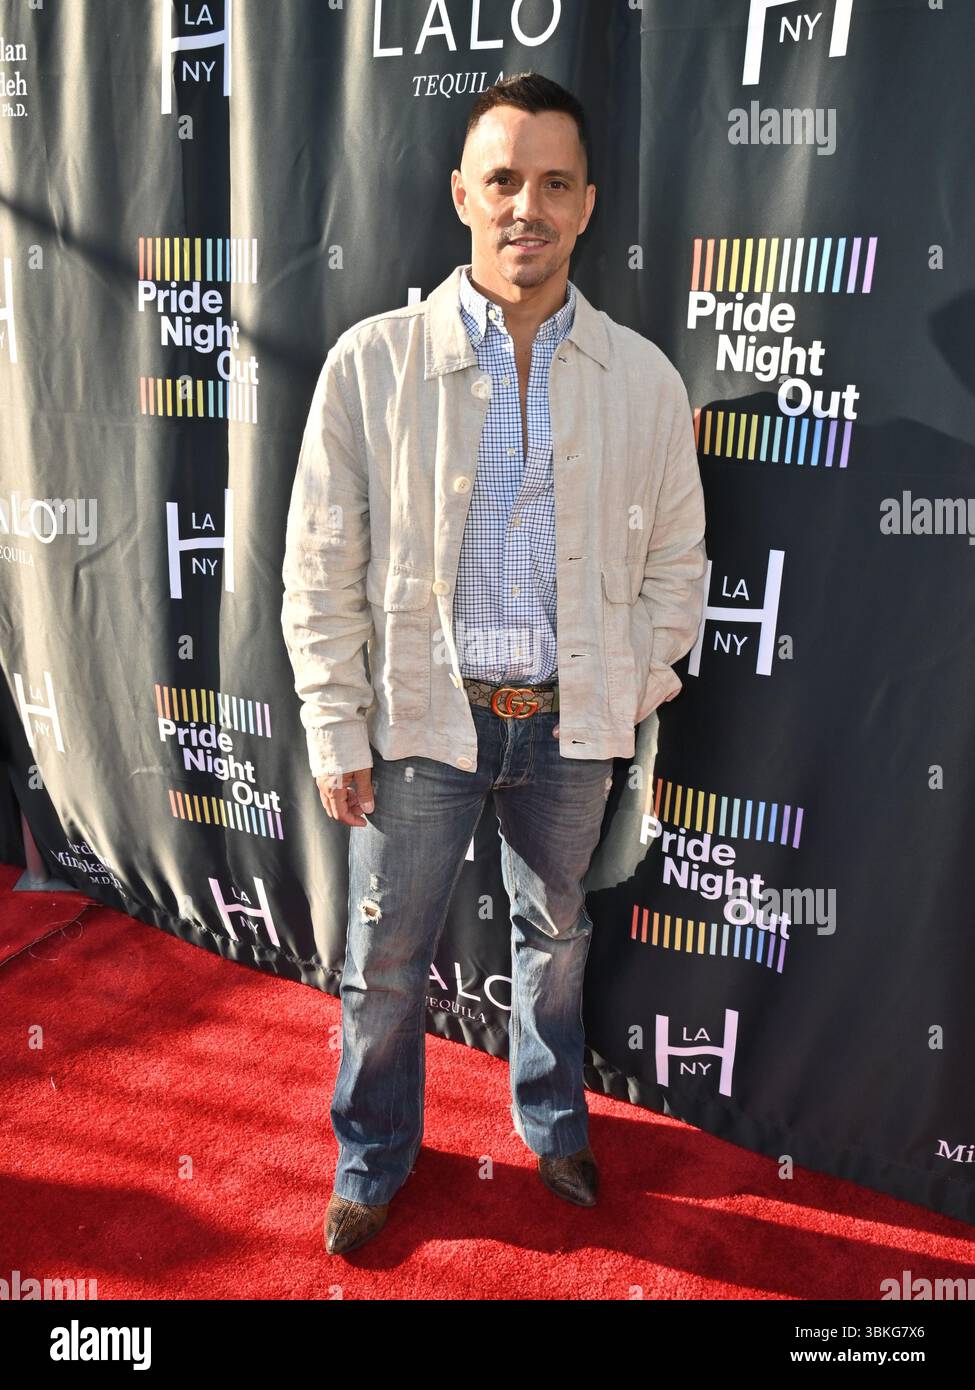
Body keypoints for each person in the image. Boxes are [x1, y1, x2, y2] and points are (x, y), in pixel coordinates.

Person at [281, 72, 708, 1256]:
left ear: (586, 206)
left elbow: (680, 567)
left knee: (557, 939)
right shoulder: (371, 364)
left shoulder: (644, 380)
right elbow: (319, 567)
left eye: (554, 184)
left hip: (571, 732)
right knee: (383, 964)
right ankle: (374, 1155)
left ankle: (553, 1122)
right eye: (505, 179)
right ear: (463, 192)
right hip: (421, 727)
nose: (528, 205)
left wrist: (623, 691)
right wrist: (335, 724)